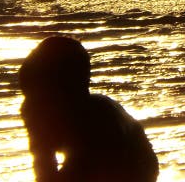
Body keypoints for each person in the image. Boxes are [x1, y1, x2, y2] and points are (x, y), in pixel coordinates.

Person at [19, 36, 159, 182]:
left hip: (136, 163)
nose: (32, 105)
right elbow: (43, 164)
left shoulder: (98, 118)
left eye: (43, 97)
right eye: (30, 95)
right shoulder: (33, 110)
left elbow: (82, 168)